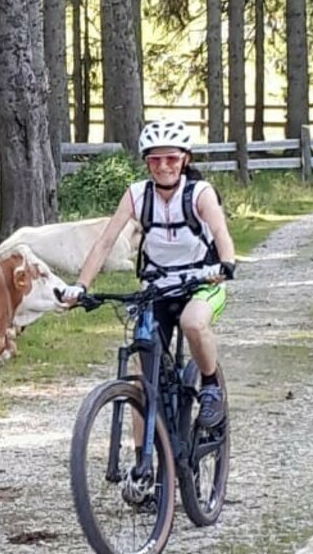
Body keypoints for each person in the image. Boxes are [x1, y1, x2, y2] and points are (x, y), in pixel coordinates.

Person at [63, 119, 237, 428]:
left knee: (193, 322)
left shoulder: (200, 193)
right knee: (143, 375)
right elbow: (104, 242)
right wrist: (80, 285)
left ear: (185, 159)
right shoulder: (137, 195)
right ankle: (144, 471)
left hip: (201, 281)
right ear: (146, 162)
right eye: (155, 159)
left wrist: (224, 265)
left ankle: (210, 386)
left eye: (171, 158)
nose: (163, 166)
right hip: (157, 286)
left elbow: (221, 233)